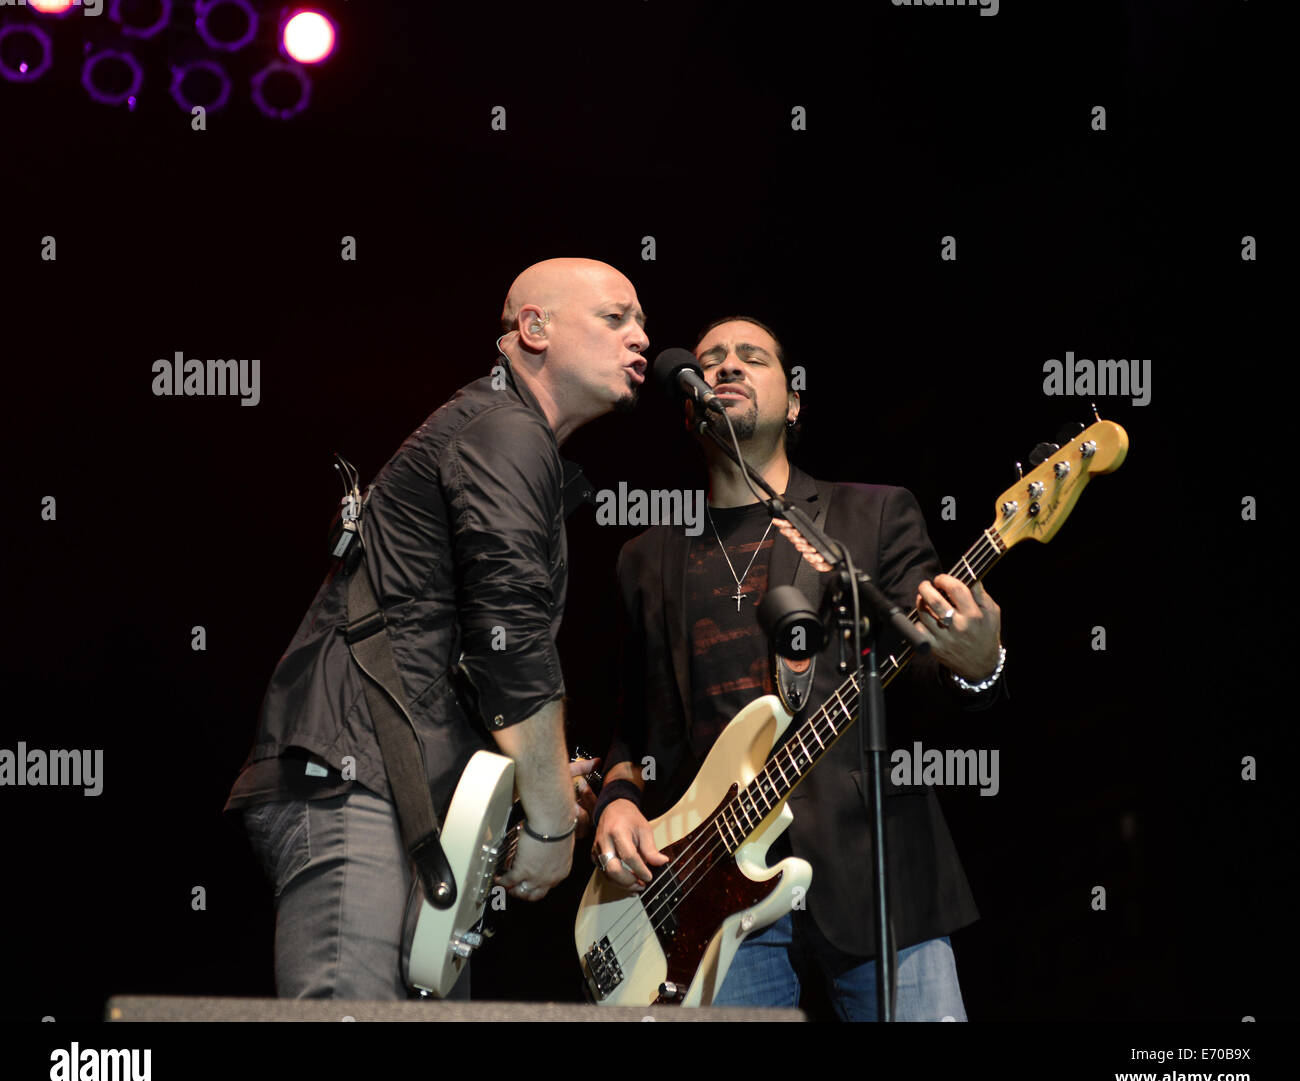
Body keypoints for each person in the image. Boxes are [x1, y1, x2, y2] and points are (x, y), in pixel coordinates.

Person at [225, 258, 649, 1000]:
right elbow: (511, 638)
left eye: (641, 321)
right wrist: (551, 828)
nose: (641, 338)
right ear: (533, 328)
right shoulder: (504, 428)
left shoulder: (509, 435)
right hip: (357, 785)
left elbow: (465, 652)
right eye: (616, 318)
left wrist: (532, 777)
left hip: (397, 797)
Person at [590, 315, 1005, 1020]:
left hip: (875, 879)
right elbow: (631, 730)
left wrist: (979, 662)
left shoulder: (869, 518)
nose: (725, 367)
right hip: (708, 904)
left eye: (751, 358)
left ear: (795, 402)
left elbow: (937, 670)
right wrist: (617, 800)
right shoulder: (644, 559)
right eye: (709, 360)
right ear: (689, 406)